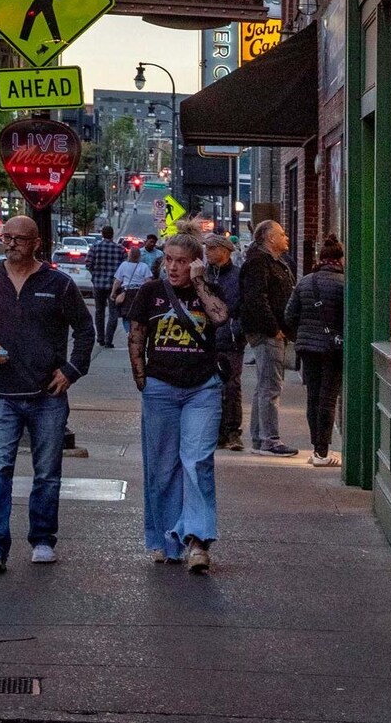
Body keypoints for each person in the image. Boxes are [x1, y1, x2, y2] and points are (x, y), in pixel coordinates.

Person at [0, 212, 93, 574]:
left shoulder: (59, 284)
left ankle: (43, 539)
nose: (11, 244)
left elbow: (85, 329)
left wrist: (72, 370)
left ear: (36, 243)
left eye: (19, 238)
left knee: (46, 472)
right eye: (7, 237)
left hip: (47, 394)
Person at [126, 233, 231, 572]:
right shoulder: (150, 292)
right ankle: (168, 540)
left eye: (182, 261)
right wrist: (141, 377)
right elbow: (137, 334)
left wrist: (199, 283)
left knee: (197, 461)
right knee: (162, 467)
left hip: (202, 388)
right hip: (161, 388)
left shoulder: (208, 290)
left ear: (195, 263)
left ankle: (198, 541)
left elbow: (220, 318)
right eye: (168, 259)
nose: (172, 267)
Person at [285, 235, 346, 465]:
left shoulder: (305, 282)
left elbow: (289, 315)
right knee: (328, 399)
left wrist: (300, 336)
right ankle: (323, 452)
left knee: (313, 397)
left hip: (307, 348)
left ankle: (316, 448)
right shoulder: (343, 284)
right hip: (332, 349)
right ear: (340, 258)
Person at [238, 219, 297, 454]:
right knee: (271, 386)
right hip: (266, 333)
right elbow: (256, 299)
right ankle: (269, 439)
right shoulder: (259, 262)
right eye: (282, 234)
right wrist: (273, 328)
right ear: (270, 238)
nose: (286, 237)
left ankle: (259, 438)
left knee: (265, 385)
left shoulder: (273, 261)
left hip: (271, 331)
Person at [201, 234, 245, 451]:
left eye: (212, 248)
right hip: (206, 339)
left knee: (231, 385)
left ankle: (232, 432)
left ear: (225, 251)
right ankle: (216, 432)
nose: (207, 252)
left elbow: (244, 305)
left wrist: (237, 329)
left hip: (230, 338)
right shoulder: (202, 275)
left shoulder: (238, 276)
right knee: (209, 386)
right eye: (206, 248)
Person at [84, 222, 122, 346]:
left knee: (99, 311)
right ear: (112, 234)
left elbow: (88, 264)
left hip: (98, 284)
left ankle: (100, 337)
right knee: (113, 313)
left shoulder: (95, 248)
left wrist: (95, 274)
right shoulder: (120, 249)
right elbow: (123, 268)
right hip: (113, 286)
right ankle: (108, 340)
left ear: (102, 234)